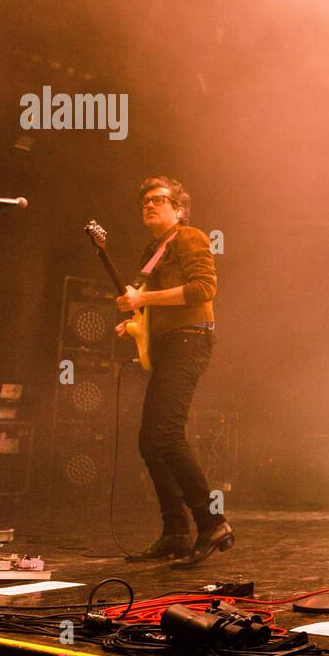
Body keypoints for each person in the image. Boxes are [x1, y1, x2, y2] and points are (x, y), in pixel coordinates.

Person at [115, 176, 233, 568]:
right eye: (144, 201)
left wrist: (142, 298)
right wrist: (136, 321)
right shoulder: (153, 251)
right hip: (168, 343)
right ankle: (176, 532)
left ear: (179, 209)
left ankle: (212, 522)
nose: (149, 205)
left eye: (159, 199)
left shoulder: (190, 237)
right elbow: (156, 306)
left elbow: (203, 288)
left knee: (165, 433)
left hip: (190, 340)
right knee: (150, 441)